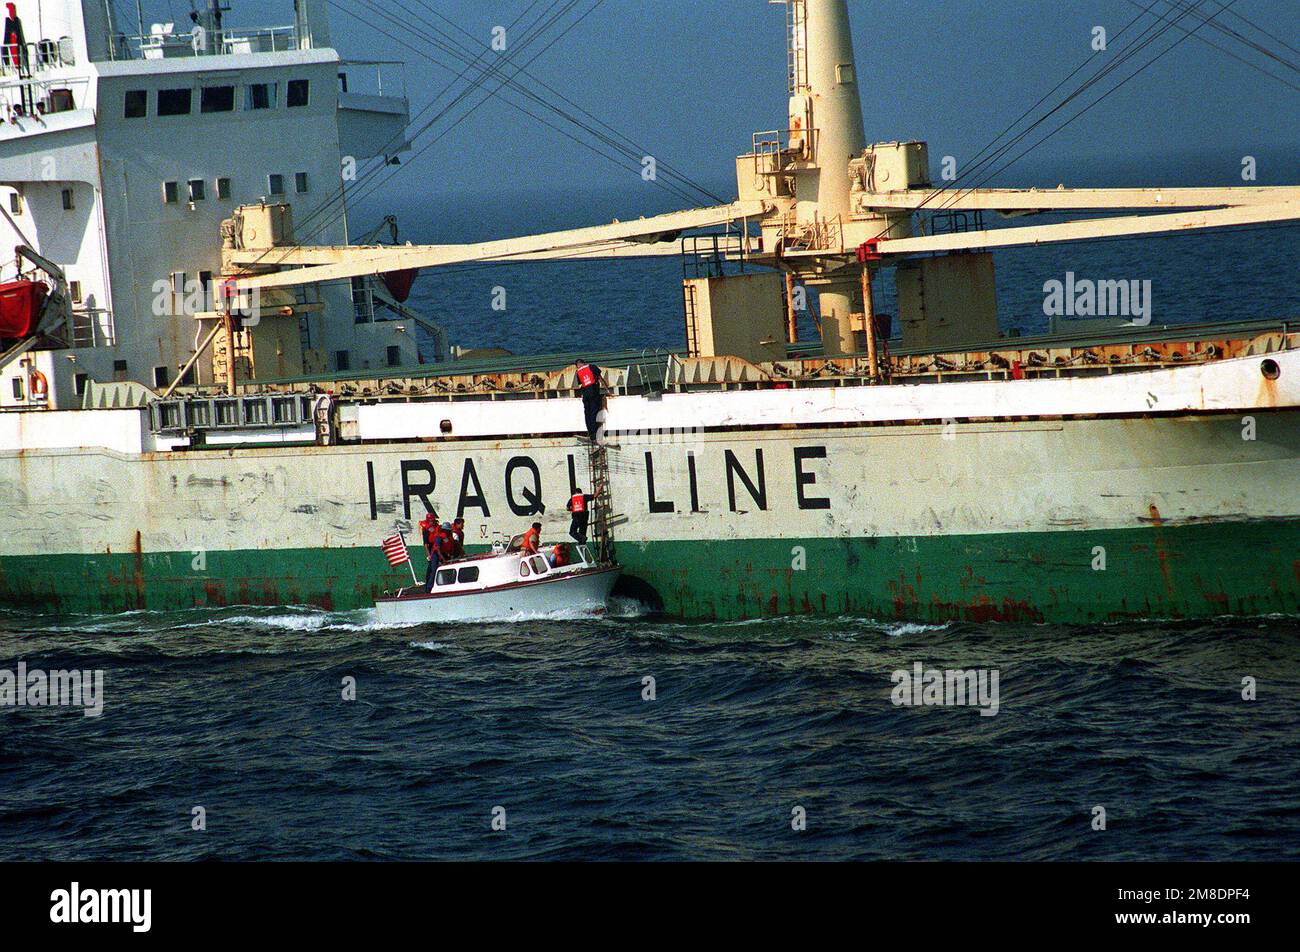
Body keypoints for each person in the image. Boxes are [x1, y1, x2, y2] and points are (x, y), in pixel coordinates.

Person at [575, 359, 604, 443]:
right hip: (593, 391)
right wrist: (607, 389)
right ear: (584, 363)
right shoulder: (592, 367)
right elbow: (599, 377)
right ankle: (595, 435)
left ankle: (591, 434)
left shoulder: (578, 372)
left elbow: (581, 384)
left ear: (577, 365)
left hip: (585, 394)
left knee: (587, 413)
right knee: (594, 412)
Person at [420, 512, 440, 593]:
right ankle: (429, 587)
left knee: (432, 568)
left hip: (438, 547)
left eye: (433, 520)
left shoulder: (437, 527)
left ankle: (429, 585)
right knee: (433, 568)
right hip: (432, 549)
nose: (432, 522)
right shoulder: (426, 530)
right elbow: (425, 543)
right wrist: (428, 554)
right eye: (430, 520)